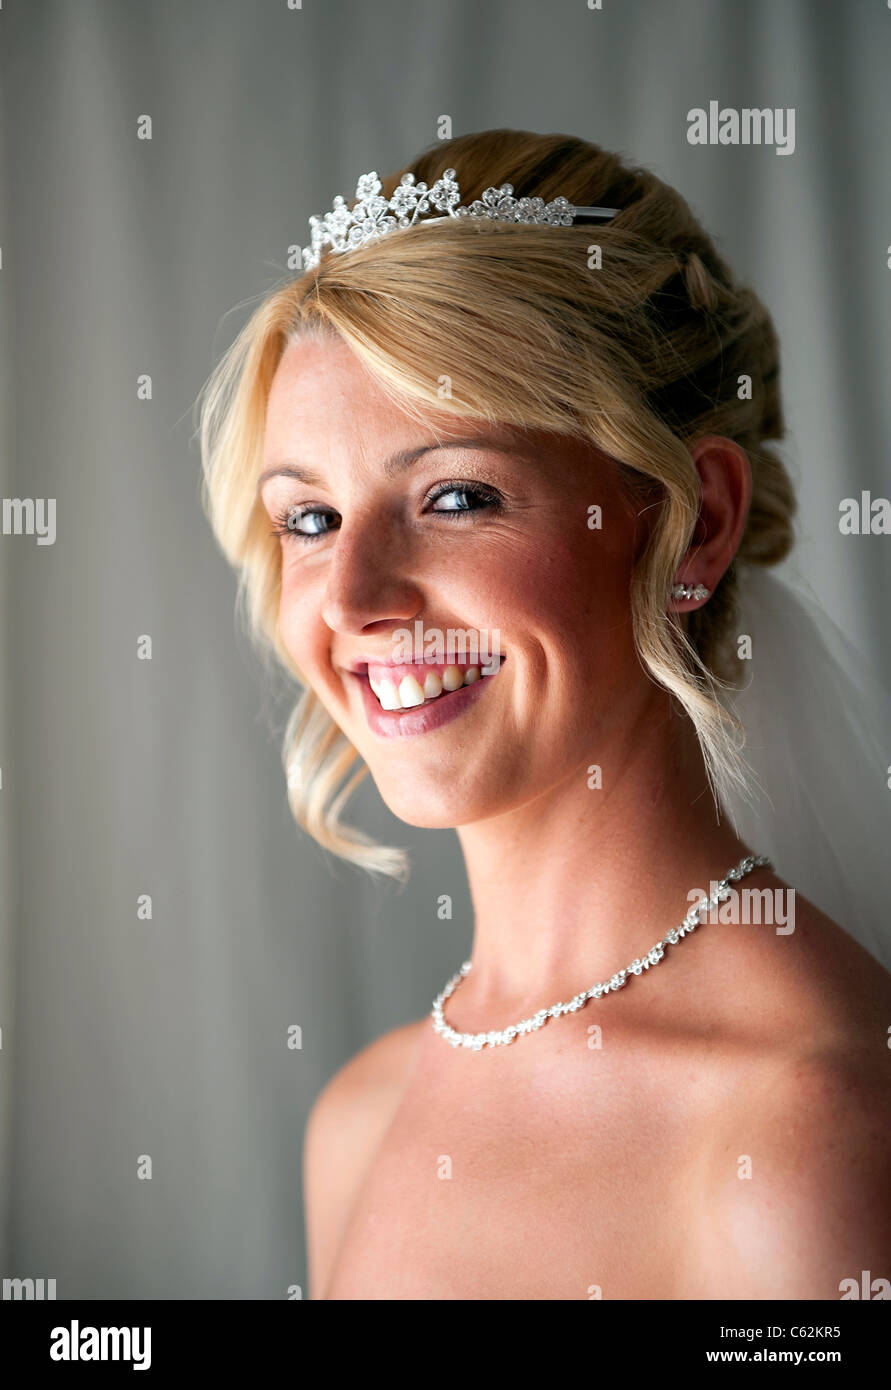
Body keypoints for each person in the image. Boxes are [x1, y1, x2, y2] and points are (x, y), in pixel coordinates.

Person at [198, 129, 891, 1300]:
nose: (354, 599)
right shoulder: (357, 1122)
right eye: (307, 519)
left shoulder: (806, 1140)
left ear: (695, 523)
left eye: (456, 495)